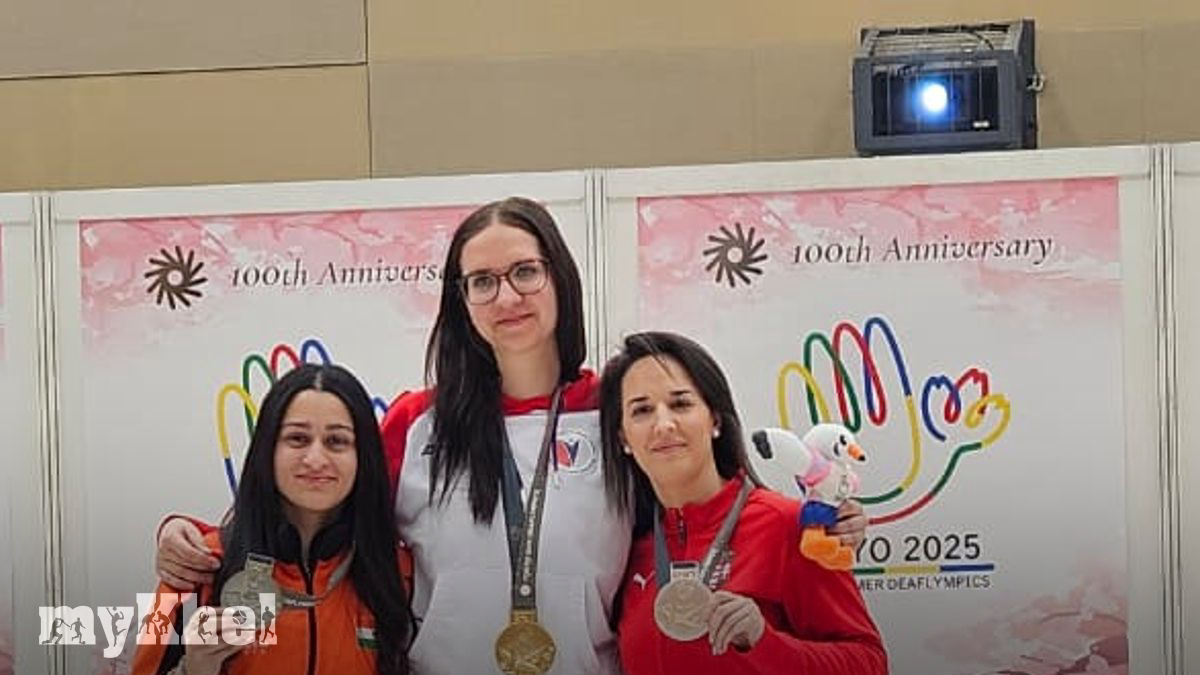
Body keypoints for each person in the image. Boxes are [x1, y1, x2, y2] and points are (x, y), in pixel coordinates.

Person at [155, 197, 870, 674]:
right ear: (461, 303)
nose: (508, 295)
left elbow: (709, 511)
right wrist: (195, 537)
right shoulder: (417, 421)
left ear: (558, 277)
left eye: (525, 271)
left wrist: (825, 521)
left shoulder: (619, 413)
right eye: (482, 281)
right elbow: (314, 507)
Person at [599, 331, 887, 675]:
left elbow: (869, 663)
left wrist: (765, 642)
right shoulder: (625, 546)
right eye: (642, 410)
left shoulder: (787, 525)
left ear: (715, 420)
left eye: (681, 403)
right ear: (623, 437)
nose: (663, 424)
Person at [133, 365, 414, 675]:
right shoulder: (195, 569)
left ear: (364, 457)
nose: (316, 459)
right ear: (268, 448)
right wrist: (195, 669)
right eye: (297, 438)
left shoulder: (398, 574)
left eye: (337, 441)